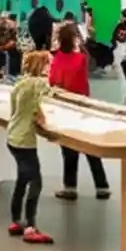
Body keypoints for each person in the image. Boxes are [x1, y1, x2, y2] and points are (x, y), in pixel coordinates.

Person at [48, 24, 110, 201]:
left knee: (68, 149)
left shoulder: (57, 58)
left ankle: (70, 187)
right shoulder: (81, 59)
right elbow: (88, 62)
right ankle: (101, 186)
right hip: (83, 105)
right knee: (90, 146)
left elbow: (52, 81)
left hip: (64, 107)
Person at [7, 50, 54, 245]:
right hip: (26, 140)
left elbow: (14, 110)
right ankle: (30, 227)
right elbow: (41, 106)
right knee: (36, 182)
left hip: (13, 136)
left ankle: (16, 220)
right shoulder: (39, 84)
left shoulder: (19, 84)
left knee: (22, 179)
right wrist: (46, 127)